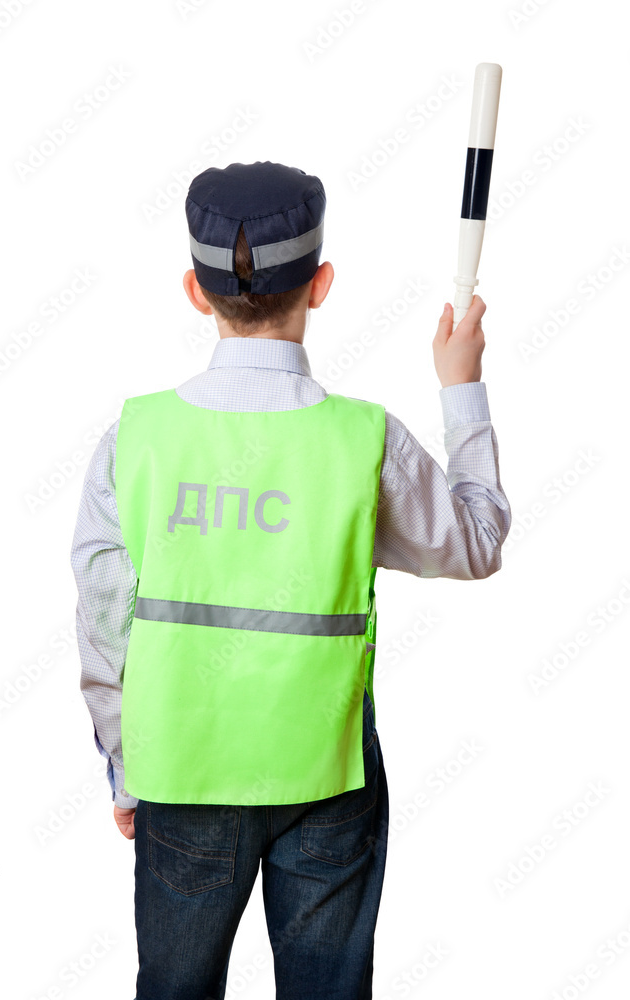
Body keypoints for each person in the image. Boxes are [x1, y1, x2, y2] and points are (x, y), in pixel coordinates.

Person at [70, 160, 511, 1000]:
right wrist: (461, 387)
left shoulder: (135, 437)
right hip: (326, 775)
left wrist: (125, 766)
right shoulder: (365, 440)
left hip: (181, 772)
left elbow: (102, 616)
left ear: (195, 293)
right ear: (322, 284)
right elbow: (477, 543)